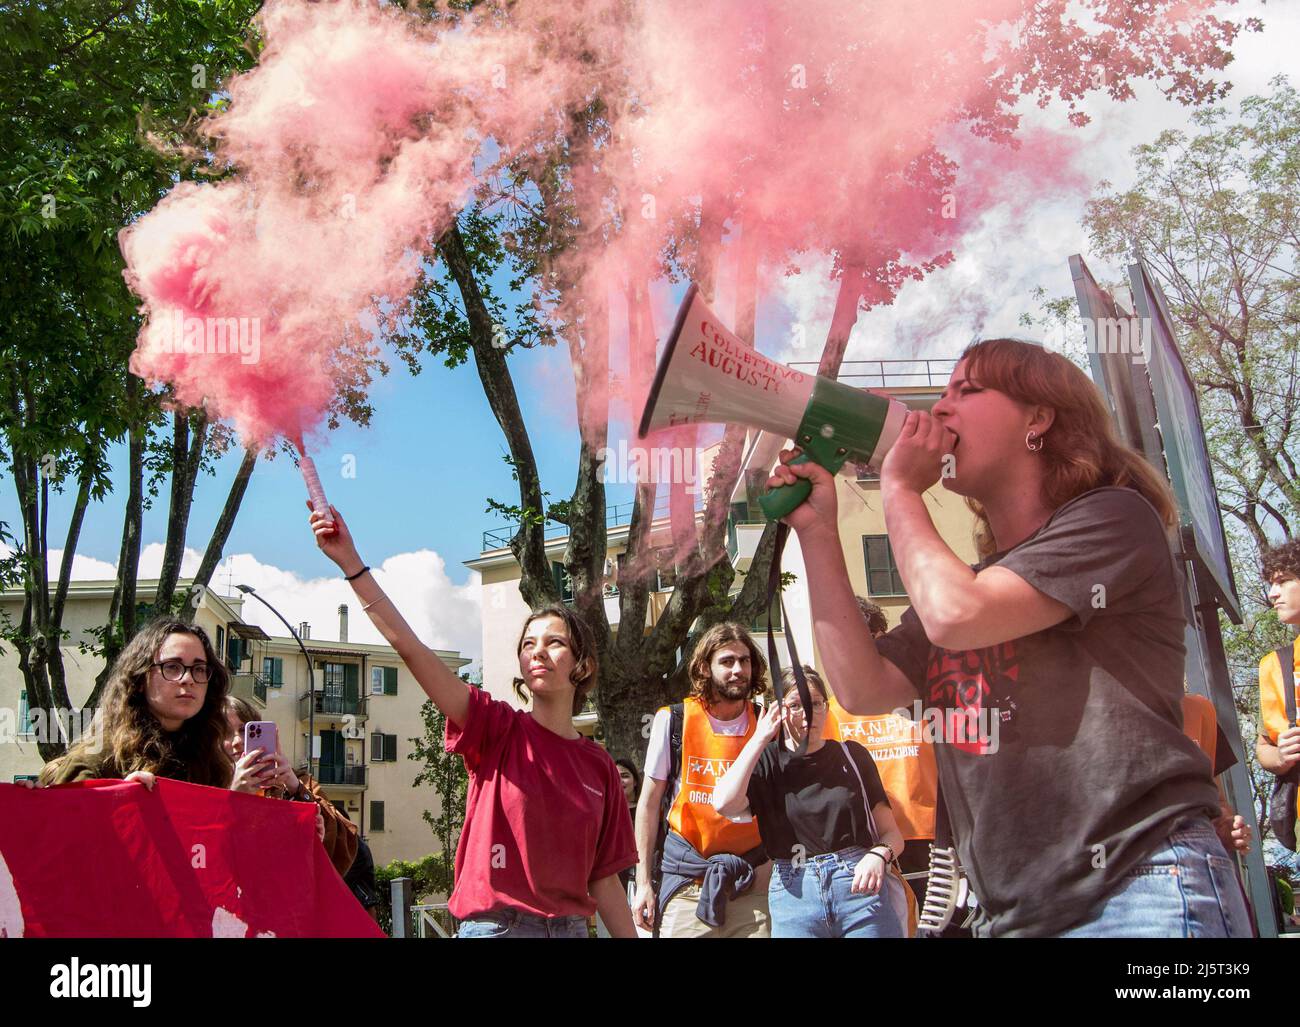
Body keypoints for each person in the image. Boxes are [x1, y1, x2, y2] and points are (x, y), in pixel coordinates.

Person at [769, 337, 1250, 938]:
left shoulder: (1116, 517)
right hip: (1015, 915)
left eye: (966, 391)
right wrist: (816, 531)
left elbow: (955, 615)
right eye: (941, 394)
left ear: (1038, 418)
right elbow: (861, 688)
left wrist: (898, 491)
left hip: (1140, 887)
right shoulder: (970, 582)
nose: (940, 410)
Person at [309, 502, 637, 938]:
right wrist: (351, 563)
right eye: (528, 643)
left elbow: (604, 878)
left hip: (572, 929)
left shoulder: (600, 767)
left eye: (554, 642)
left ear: (582, 665)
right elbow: (410, 647)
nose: (537, 650)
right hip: (496, 928)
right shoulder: (495, 727)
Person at [713, 666, 907, 937]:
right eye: (795, 705)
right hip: (794, 893)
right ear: (778, 711)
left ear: (826, 707)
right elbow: (723, 803)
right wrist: (760, 738)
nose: (807, 714)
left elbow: (892, 834)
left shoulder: (852, 755)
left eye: (815, 703)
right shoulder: (768, 761)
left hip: (858, 887)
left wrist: (878, 854)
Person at [632, 622, 772, 938]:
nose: (738, 669)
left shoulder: (765, 723)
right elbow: (649, 805)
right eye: (727, 661)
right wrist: (642, 883)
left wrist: (773, 869)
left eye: (745, 660)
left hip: (752, 884)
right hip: (688, 883)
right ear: (704, 668)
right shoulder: (673, 720)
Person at [822, 597, 938, 925]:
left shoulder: (920, 698)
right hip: (863, 849)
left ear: (881, 637)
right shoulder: (831, 711)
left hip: (925, 838)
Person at [38, 617, 233, 789]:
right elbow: (62, 828)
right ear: (139, 679)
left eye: (199, 669)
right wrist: (119, 800)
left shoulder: (213, 763)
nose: (188, 678)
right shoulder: (95, 761)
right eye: (172, 666)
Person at [223, 695, 358, 875]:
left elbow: (344, 846)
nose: (238, 741)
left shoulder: (298, 782)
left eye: (245, 730)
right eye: (225, 733)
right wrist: (233, 795)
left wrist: (295, 787)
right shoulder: (203, 784)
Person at [1255, 539, 1300, 789]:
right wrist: (1281, 756)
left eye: (1283, 581)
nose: (1273, 593)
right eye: (1272, 584)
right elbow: (1263, 748)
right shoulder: (1275, 666)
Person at [613, 757, 642, 891]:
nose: (620, 780)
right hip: (614, 876)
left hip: (641, 872)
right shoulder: (606, 811)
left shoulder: (645, 811)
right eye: (615, 776)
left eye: (625, 776)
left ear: (635, 781)